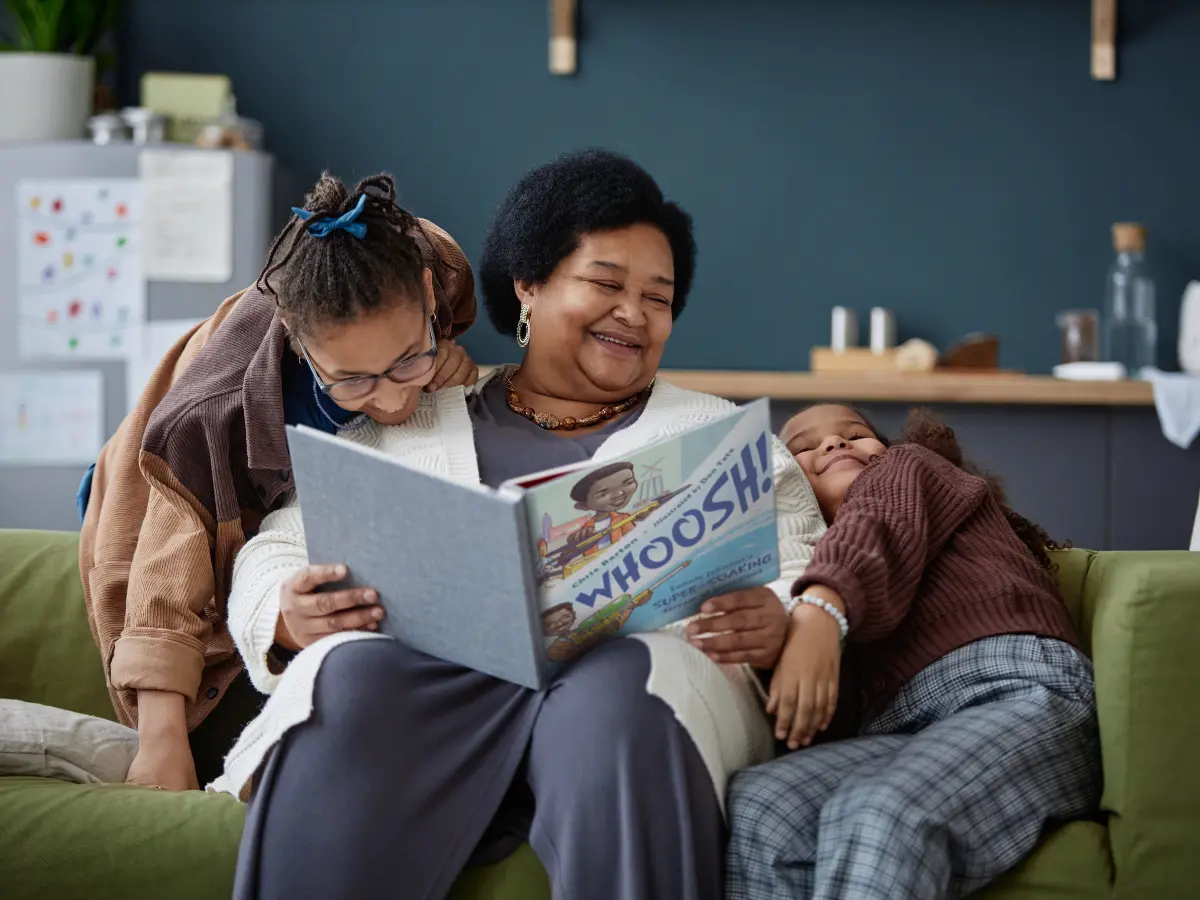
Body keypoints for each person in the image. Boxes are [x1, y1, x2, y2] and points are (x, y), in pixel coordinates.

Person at [218, 149, 828, 900]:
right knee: (354, 676)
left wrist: (780, 618)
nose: (634, 313)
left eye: (658, 297)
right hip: (430, 700)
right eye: (606, 283)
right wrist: (286, 611)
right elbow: (279, 545)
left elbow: (806, 564)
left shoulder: (723, 439)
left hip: (623, 707)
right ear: (528, 284)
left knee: (616, 691)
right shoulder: (409, 419)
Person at [79, 171, 480, 791]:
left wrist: (440, 353)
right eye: (354, 380)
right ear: (299, 342)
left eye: (407, 358)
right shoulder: (211, 414)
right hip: (149, 477)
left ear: (430, 294)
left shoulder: (439, 267)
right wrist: (161, 742)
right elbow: (162, 583)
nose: (392, 399)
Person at [723, 404, 1102, 900]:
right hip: (905, 735)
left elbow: (877, 520)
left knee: (883, 807)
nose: (834, 443)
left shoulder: (910, 469)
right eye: (805, 447)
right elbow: (831, 720)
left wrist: (820, 609)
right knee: (763, 804)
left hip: (1022, 693)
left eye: (856, 433)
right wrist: (775, 650)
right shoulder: (812, 568)